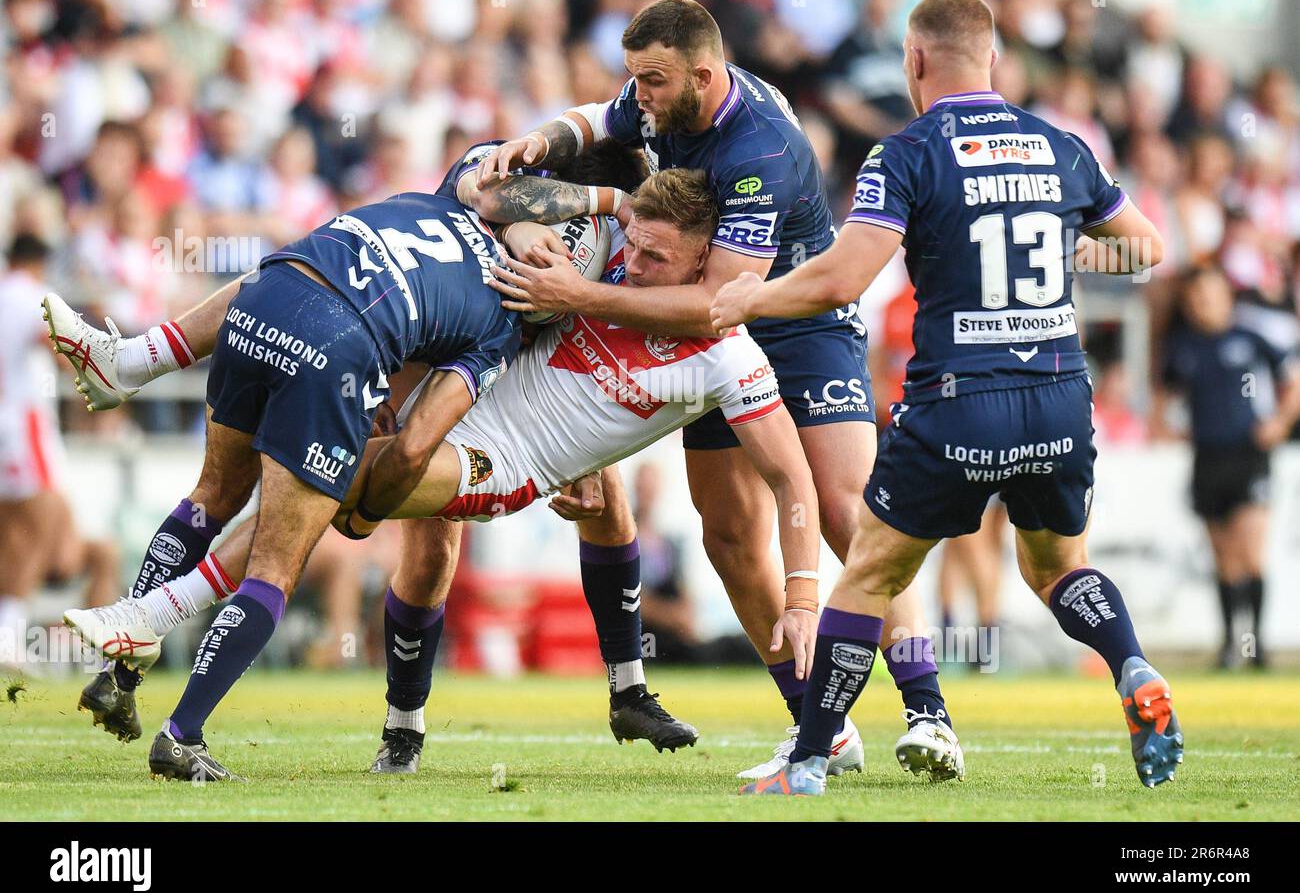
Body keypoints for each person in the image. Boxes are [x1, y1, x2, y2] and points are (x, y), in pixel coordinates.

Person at [66, 169, 825, 781]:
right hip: (446, 387)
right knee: (360, 517)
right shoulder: (599, 251)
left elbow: (793, 480)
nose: (637, 263)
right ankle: (403, 730)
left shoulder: (729, 359)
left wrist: (800, 593)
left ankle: (156, 614)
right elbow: (491, 190)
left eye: (659, 259)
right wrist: (578, 210)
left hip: (502, 462)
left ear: (704, 263)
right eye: (636, 243)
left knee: (324, 488)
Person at [711, 0, 1184, 795]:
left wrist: (750, 297)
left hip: (957, 401)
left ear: (915, 61)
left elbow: (845, 277)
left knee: (868, 576)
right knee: (1059, 569)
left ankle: (810, 761)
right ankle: (1131, 665)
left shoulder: (906, 152)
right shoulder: (1062, 145)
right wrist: (1061, 262)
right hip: (1060, 396)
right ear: (994, 57)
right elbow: (1146, 249)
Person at [479, 0, 956, 781]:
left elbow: (715, 306)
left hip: (796, 320)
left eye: (654, 81)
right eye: (636, 78)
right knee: (730, 533)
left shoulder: (758, 149)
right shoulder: (667, 100)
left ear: (703, 73)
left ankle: (927, 710)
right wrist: (541, 138)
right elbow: (600, 120)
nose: (641, 95)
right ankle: (817, 724)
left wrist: (582, 296)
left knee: (847, 509)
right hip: (710, 328)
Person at [52, 184, 521, 780]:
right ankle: (182, 736)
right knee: (275, 564)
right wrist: (369, 509)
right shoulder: (505, 320)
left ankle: (117, 676)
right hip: (334, 346)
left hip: (262, 298)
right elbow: (416, 442)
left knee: (212, 497)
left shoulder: (442, 198)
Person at [1155, 266, 1300, 668]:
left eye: (1209, 294)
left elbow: (1293, 380)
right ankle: (1228, 644)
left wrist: (1279, 422)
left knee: (1251, 550)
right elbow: (1165, 397)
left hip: (1248, 455)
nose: (1202, 303)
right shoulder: (1183, 348)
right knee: (1223, 557)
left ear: (1226, 297)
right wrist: (1170, 428)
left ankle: (1256, 645)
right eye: (1196, 297)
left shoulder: (1250, 339)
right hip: (1207, 457)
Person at [0, 234, 118, 669]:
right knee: (39, 521)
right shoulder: (27, 295)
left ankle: (42, 639)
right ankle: (12, 634)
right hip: (21, 422)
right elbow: (55, 344)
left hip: (9, 424)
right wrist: (92, 385)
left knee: (18, 529)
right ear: (38, 264)